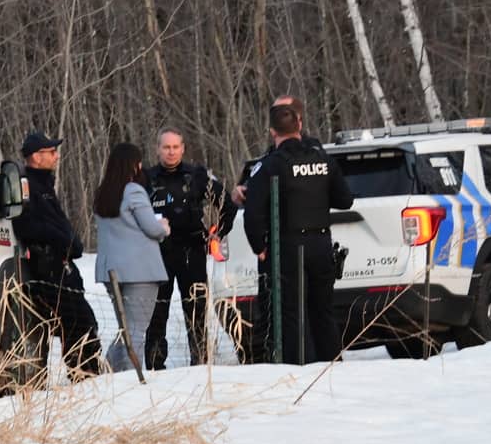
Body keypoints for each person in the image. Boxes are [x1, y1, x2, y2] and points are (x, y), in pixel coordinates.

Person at [243, 104, 353, 365]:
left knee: (291, 313)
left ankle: (299, 366)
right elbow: (345, 199)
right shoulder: (323, 160)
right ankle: (332, 365)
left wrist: (258, 245)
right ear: (300, 127)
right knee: (323, 311)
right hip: (321, 243)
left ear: (272, 132)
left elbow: (253, 210)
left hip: (288, 246)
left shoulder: (270, 165)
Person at [143, 127, 237, 369]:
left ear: (183, 149)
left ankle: (201, 363)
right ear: (157, 149)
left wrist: (216, 233)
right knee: (156, 314)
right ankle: (154, 366)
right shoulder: (146, 178)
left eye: (176, 147)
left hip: (192, 253)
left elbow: (229, 205)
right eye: (166, 147)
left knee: (195, 312)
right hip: (157, 255)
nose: (171, 152)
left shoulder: (197, 176)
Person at [11, 131, 101, 379]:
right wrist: (63, 240)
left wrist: (71, 241)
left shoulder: (46, 184)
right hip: (46, 269)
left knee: (84, 321)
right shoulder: (26, 185)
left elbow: (54, 222)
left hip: (62, 266)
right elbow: (27, 225)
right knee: (76, 320)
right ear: (36, 157)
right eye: (51, 152)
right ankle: (83, 374)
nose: (57, 156)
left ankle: (87, 372)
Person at [92, 143, 171, 372]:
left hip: (111, 270)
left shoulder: (103, 193)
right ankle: (130, 379)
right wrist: (163, 226)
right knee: (136, 331)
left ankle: (108, 372)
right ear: (134, 165)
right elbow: (152, 229)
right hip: (140, 271)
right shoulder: (134, 191)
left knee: (125, 330)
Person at [231, 94, 322, 206]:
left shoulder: (313, 152)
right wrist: (241, 190)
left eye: (284, 112)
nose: (278, 117)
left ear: (298, 120)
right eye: (275, 113)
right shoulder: (270, 155)